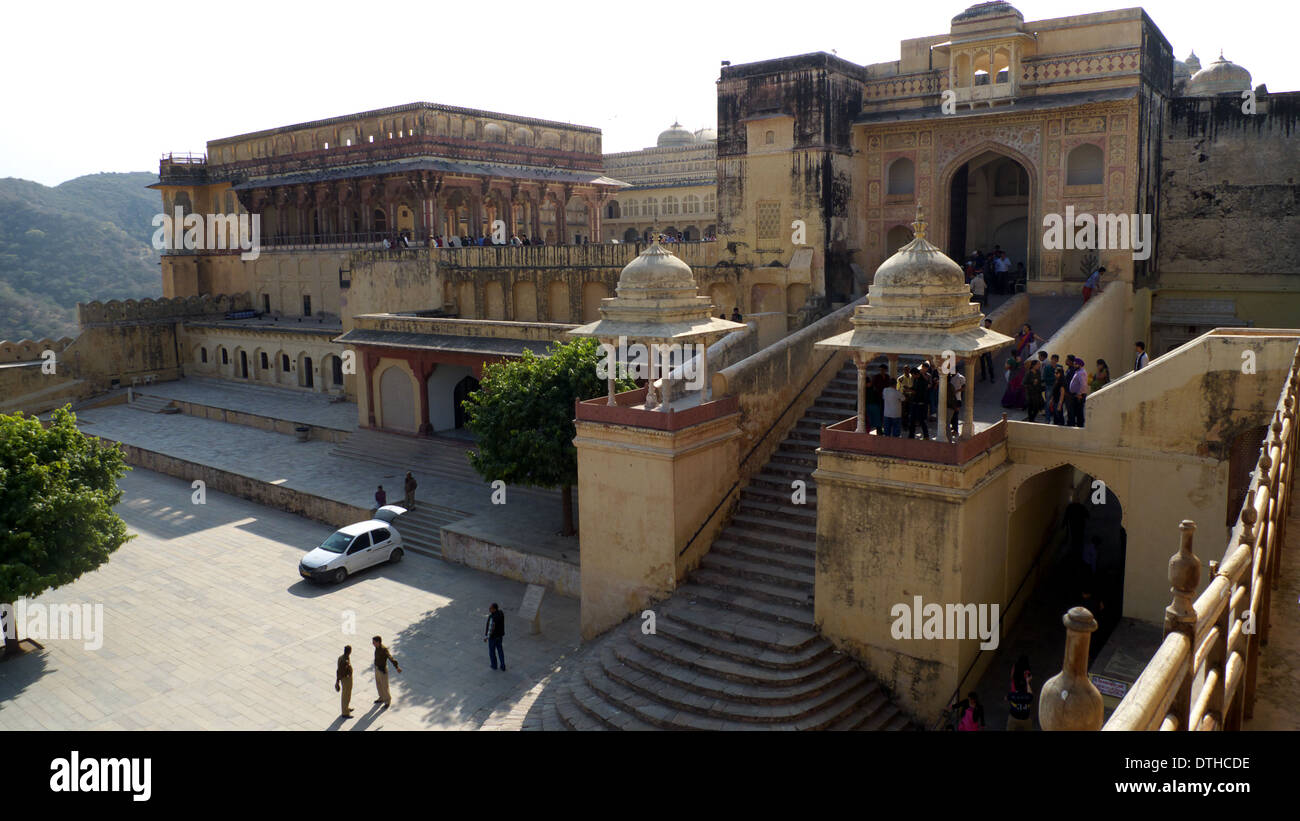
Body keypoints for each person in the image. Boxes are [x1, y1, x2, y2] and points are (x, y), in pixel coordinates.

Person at [371, 635, 401, 708]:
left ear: (378, 642)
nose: (372, 643)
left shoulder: (384, 649)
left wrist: (396, 667)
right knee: (378, 684)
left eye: (374, 642)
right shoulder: (377, 647)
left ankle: (387, 700)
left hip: (382, 670)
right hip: (377, 668)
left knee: (384, 686)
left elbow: (390, 658)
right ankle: (381, 697)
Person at [1006, 656, 1034, 731]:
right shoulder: (1027, 669)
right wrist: (1027, 683)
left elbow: (1011, 676)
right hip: (1025, 717)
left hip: (1016, 688)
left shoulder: (1015, 666)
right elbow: (1031, 695)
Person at [907, 367, 930, 440]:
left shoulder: (923, 381)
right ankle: (911, 436)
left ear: (915, 374)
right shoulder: (915, 380)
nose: (912, 376)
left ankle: (926, 436)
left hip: (921, 404)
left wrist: (910, 390)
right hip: (915, 403)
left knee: (922, 420)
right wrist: (909, 389)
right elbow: (914, 389)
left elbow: (919, 393)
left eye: (912, 375)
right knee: (912, 420)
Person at [1067, 355, 1088, 427]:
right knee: (1077, 411)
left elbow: (1083, 385)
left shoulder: (1081, 372)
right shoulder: (1078, 371)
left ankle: (1080, 426)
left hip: (1079, 395)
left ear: (1079, 365)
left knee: (1079, 412)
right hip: (1076, 394)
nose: (1074, 365)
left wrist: (1079, 394)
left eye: (1076, 364)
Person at [865, 364, 887, 434]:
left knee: (883, 415)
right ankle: (879, 430)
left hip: (885, 399)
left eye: (883, 370)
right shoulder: (876, 377)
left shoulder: (887, 377)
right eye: (880, 370)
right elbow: (873, 386)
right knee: (878, 416)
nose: (882, 371)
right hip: (877, 400)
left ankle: (882, 429)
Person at [484, 603, 505, 671]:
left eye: (491, 608)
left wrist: (486, 637)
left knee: (492, 652)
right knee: (500, 651)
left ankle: (494, 665)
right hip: (500, 636)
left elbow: (490, 629)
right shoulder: (501, 613)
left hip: (493, 637)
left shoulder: (492, 617)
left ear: (494, 609)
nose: (489, 609)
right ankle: (503, 665)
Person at [335, 645, 354, 719]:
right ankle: (345, 713)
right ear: (349, 651)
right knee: (346, 694)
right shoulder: (344, 660)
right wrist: (338, 680)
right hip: (346, 679)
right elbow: (340, 671)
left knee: (347, 694)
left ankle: (346, 707)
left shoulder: (342, 657)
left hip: (345, 678)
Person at [947, 368, 965, 440]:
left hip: (957, 399)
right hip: (951, 399)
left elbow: (964, 387)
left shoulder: (960, 377)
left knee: (955, 415)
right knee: (951, 415)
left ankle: (955, 430)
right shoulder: (950, 377)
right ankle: (952, 428)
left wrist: (956, 391)